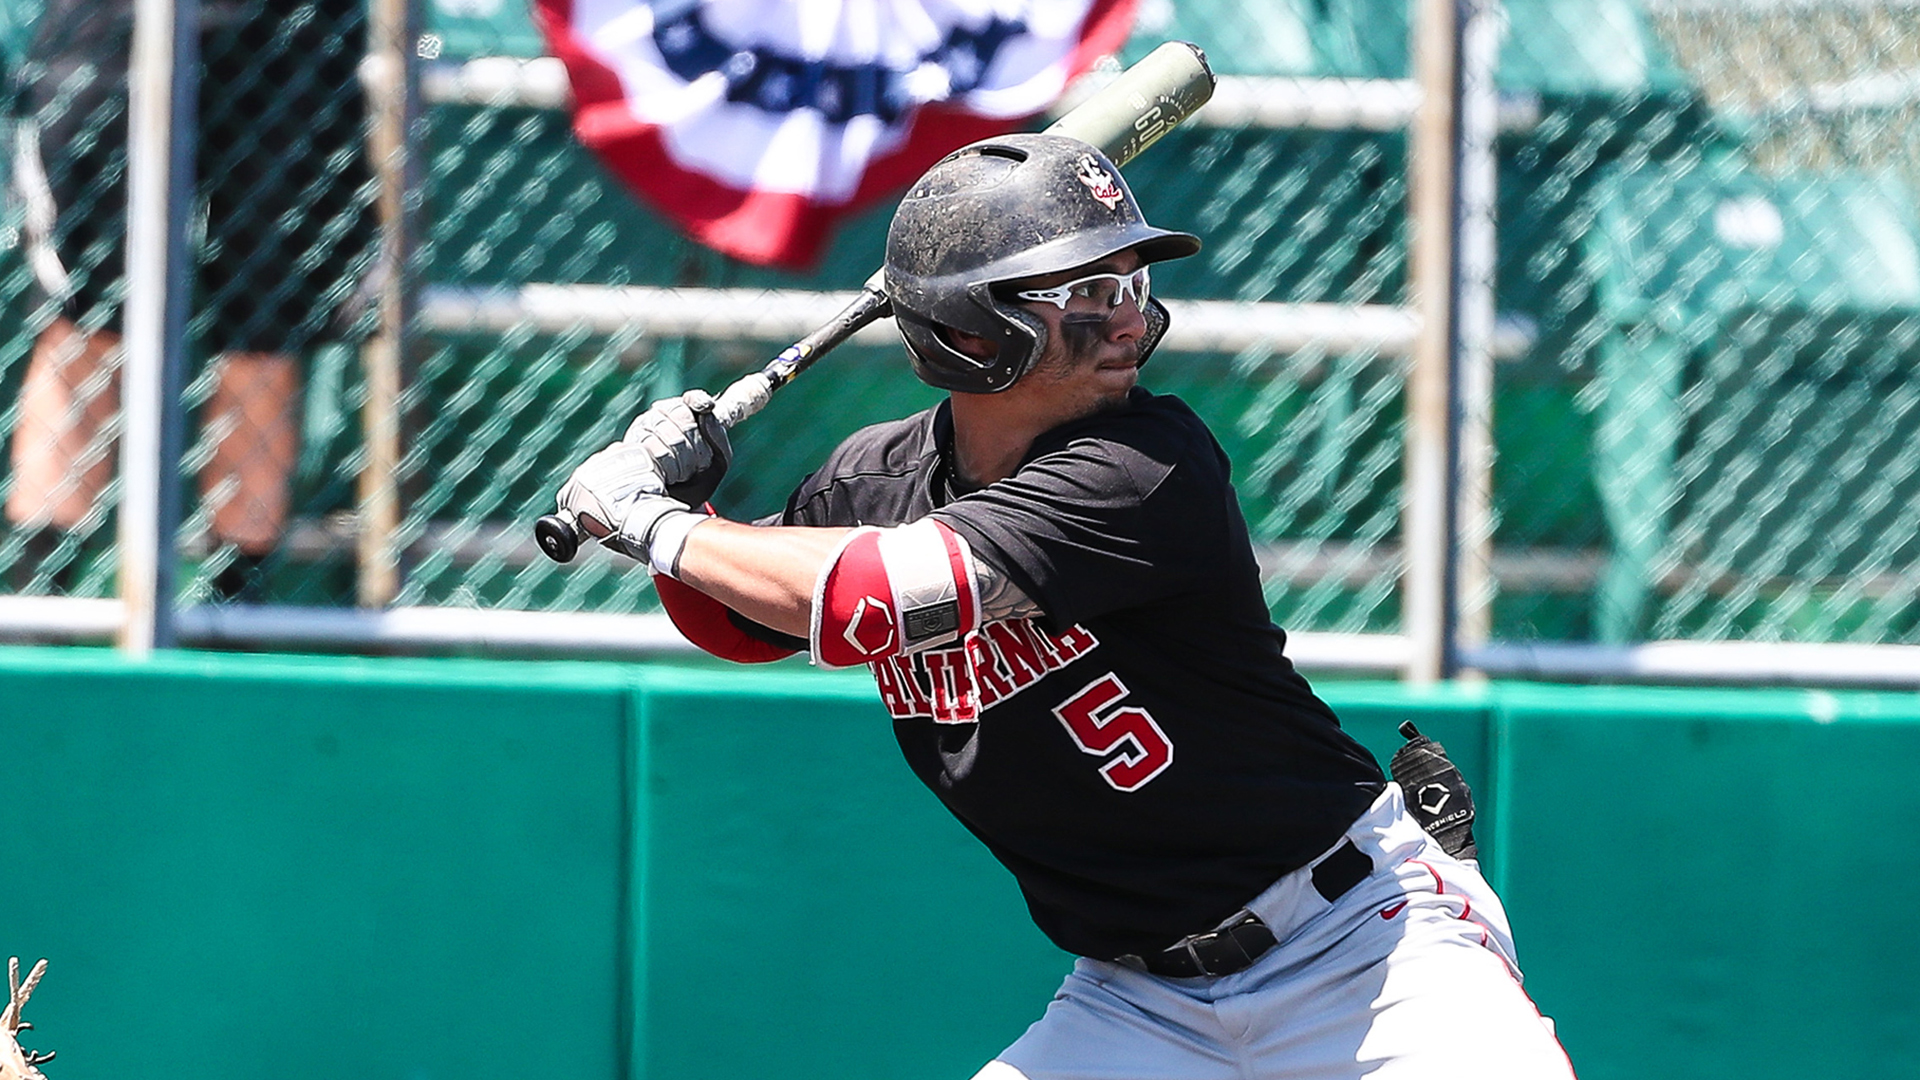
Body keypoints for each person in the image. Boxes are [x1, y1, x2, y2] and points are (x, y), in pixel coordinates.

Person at [554, 132, 1576, 1079]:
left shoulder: (1143, 466)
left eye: (1131, 284)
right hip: (1138, 1003)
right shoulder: (873, 480)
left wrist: (652, 522)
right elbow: (739, 623)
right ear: (970, 330)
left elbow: (874, 599)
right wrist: (689, 512)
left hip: (1359, 945)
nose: (1128, 317)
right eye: (1085, 291)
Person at [4, 0, 369, 599]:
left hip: (295, 25)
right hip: (112, 19)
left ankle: (234, 619)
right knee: (83, 321)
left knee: (264, 333)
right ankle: (41, 617)